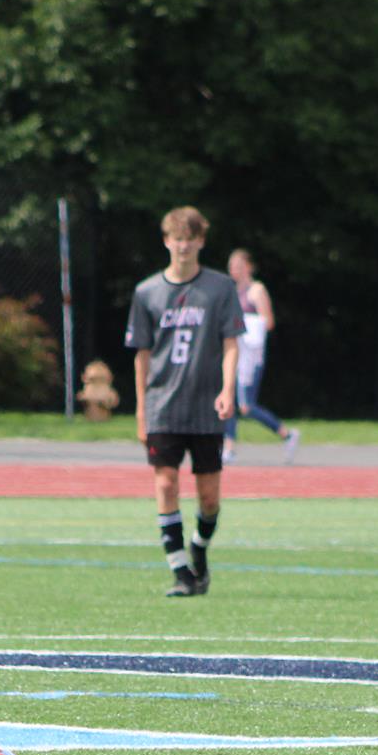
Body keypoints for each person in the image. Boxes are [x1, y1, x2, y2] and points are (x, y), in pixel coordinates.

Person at [126, 206, 240, 597]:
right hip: (163, 404)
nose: (184, 246)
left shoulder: (220, 288)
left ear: (201, 242)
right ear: (166, 241)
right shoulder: (146, 292)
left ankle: (199, 548)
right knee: (166, 483)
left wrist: (227, 389)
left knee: (209, 497)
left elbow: (230, 343)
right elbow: (142, 355)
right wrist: (141, 410)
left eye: (190, 239)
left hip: (205, 406)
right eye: (177, 239)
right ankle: (180, 571)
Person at [222, 249, 300, 465]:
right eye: (232, 266)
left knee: (246, 406)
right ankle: (228, 447)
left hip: (251, 357)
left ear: (249, 267)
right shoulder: (231, 291)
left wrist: (244, 324)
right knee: (228, 398)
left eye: (238, 266)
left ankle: (286, 434)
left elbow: (268, 322)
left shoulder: (256, 290)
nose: (234, 270)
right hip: (235, 354)